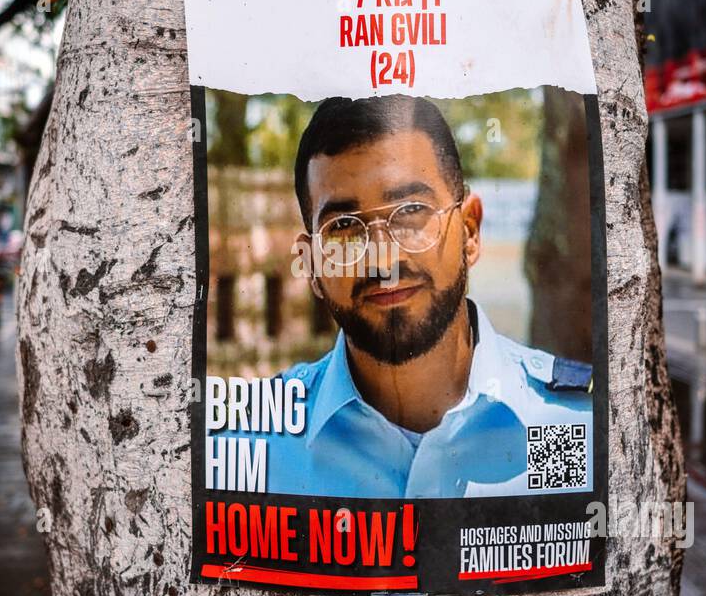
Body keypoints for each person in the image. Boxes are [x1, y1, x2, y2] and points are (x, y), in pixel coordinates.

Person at [211, 95, 593, 499]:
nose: (384, 257)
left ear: (469, 231)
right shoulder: (252, 446)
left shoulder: (566, 423)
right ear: (311, 264)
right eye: (344, 227)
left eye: (411, 211)